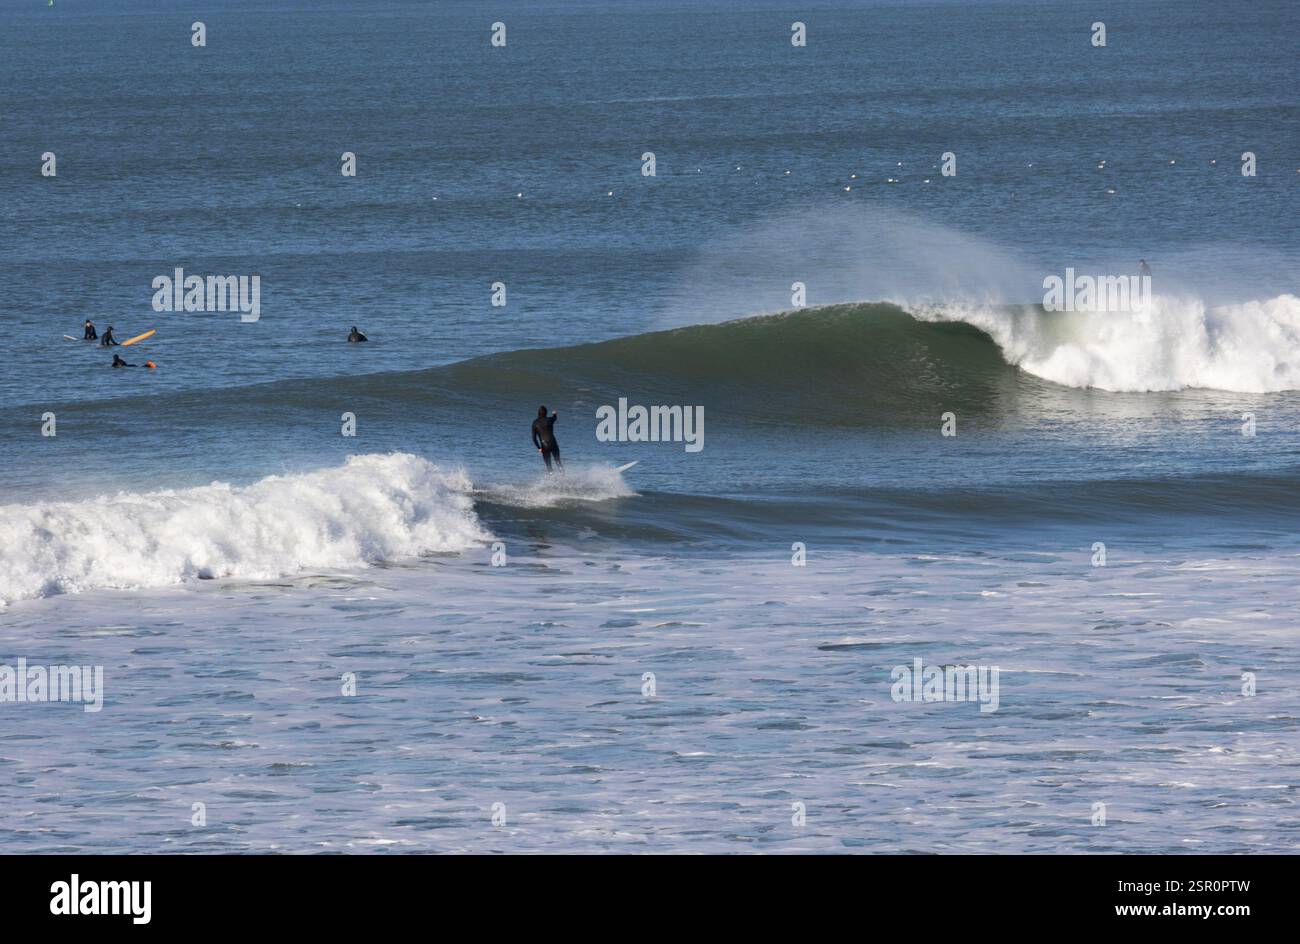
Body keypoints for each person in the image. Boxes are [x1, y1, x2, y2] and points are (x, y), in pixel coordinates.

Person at [532, 405, 562, 473]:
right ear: (546, 413)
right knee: (558, 462)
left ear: (538, 413)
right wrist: (554, 414)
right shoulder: (549, 420)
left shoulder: (535, 423)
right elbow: (555, 418)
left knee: (549, 466)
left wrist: (539, 448)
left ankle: (551, 481)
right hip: (553, 443)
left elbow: (534, 438)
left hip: (544, 446)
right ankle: (564, 477)